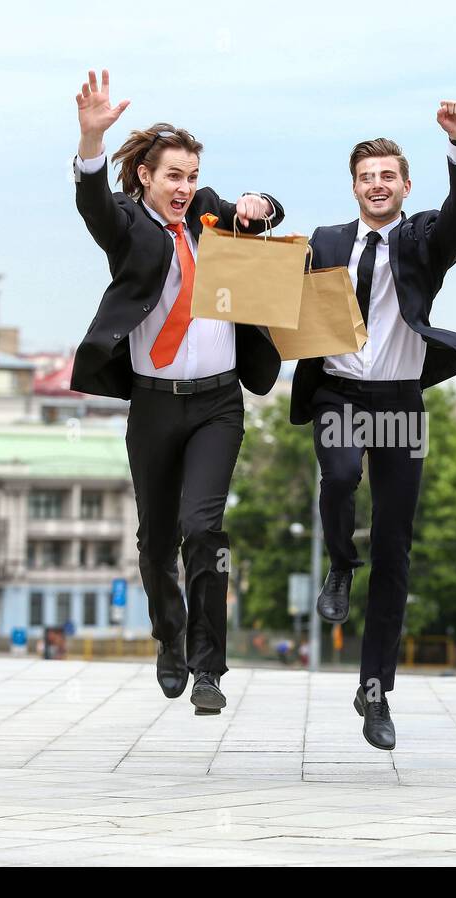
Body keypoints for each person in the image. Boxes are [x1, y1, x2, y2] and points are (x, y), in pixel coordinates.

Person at [70, 69, 285, 715]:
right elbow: (92, 204)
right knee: (157, 540)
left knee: (205, 529)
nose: (185, 188)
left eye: (192, 176)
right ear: (146, 177)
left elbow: (269, 212)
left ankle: (210, 668)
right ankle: (169, 639)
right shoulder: (129, 227)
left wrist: (259, 204)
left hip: (219, 402)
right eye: (174, 177)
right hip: (155, 403)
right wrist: (89, 141)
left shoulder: (213, 212)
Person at [292, 102, 456, 750]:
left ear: (405, 186)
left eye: (388, 176)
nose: (376, 184)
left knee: (397, 550)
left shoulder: (422, 239)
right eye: (366, 175)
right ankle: (339, 565)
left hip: (401, 400)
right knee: (341, 475)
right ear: (354, 186)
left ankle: (375, 690)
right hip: (339, 393)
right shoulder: (324, 241)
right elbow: (272, 290)